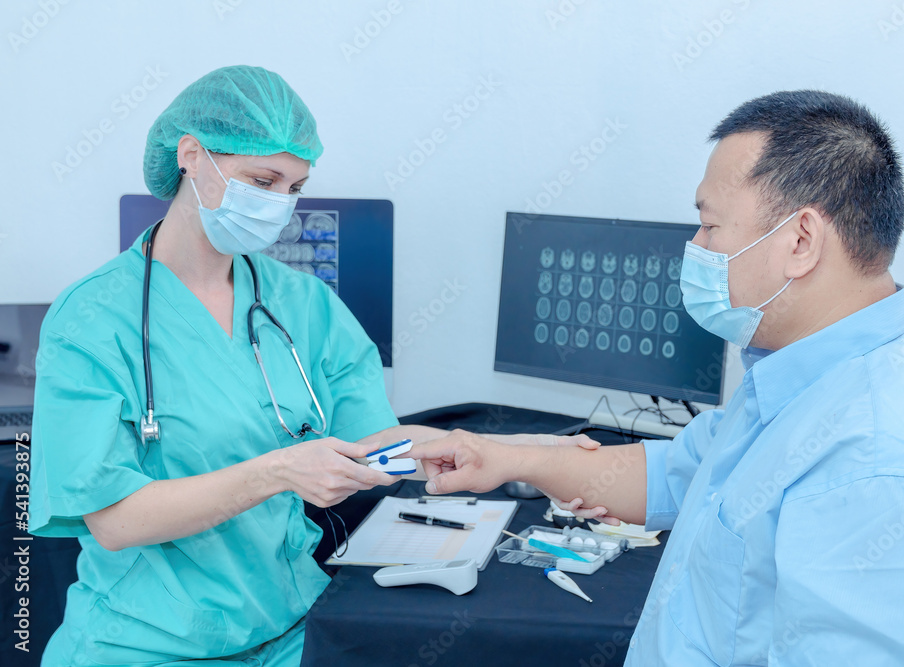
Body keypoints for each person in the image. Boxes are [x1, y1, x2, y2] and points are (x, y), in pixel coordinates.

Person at [27, 65, 592, 666]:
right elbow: (112, 520)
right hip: (144, 643)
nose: (278, 204)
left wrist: (525, 453)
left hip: (292, 628)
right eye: (262, 179)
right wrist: (278, 472)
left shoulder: (302, 303)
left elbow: (374, 444)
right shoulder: (91, 321)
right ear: (191, 155)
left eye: (294, 188)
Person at [412, 90, 904, 665]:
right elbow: (675, 476)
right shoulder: (799, 380)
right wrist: (511, 458)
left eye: (711, 228)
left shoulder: (881, 469)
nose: (694, 248)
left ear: (800, 241)